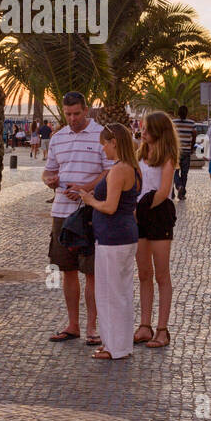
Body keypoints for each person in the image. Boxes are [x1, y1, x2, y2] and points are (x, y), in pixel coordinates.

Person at [43, 91, 110, 347]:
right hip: (61, 213)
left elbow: (110, 170)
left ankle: (93, 327)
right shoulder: (58, 138)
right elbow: (49, 172)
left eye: (77, 113)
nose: (72, 119)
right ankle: (73, 325)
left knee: (91, 272)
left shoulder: (102, 135)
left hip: (91, 214)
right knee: (67, 270)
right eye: (68, 114)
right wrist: (50, 181)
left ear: (87, 110)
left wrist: (86, 189)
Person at [68, 123, 140, 361]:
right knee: (121, 292)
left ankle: (114, 347)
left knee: (110, 293)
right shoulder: (133, 167)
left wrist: (89, 200)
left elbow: (110, 206)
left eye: (104, 144)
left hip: (113, 237)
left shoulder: (120, 169)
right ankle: (120, 344)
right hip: (122, 236)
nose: (103, 150)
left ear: (114, 142)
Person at [133, 111, 177, 349]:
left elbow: (163, 190)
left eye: (147, 128)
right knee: (143, 273)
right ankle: (144, 325)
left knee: (161, 274)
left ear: (158, 131)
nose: (143, 131)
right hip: (139, 214)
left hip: (158, 214)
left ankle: (162, 329)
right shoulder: (140, 154)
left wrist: (142, 208)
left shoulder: (168, 157)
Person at [172, 105, 197, 200]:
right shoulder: (191, 123)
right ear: (187, 113)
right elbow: (194, 135)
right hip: (186, 151)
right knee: (184, 173)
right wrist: (191, 147)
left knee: (175, 171)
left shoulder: (174, 123)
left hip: (176, 151)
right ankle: (181, 193)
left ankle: (179, 186)